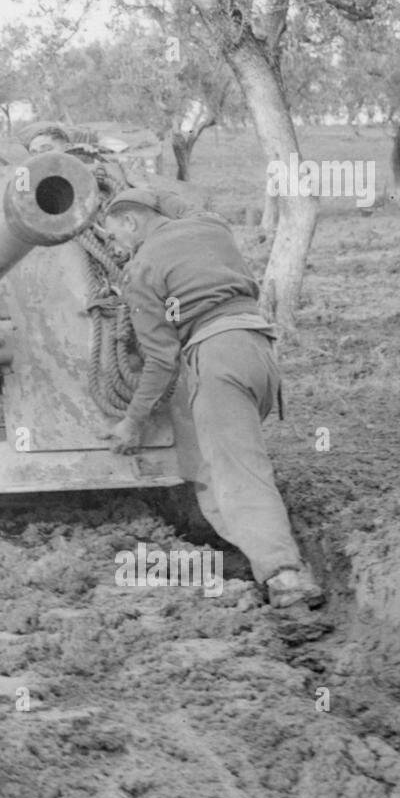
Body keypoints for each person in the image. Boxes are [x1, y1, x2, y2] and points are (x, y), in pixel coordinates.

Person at [96, 187, 322, 610]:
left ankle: (284, 575)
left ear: (132, 222)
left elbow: (161, 360)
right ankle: (256, 556)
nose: (116, 247)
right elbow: (176, 202)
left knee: (238, 472)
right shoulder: (209, 226)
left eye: (114, 236)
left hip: (216, 361)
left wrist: (132, 420)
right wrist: (133, 191)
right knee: (209, 469)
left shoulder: (141, 270)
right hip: (259, 351)